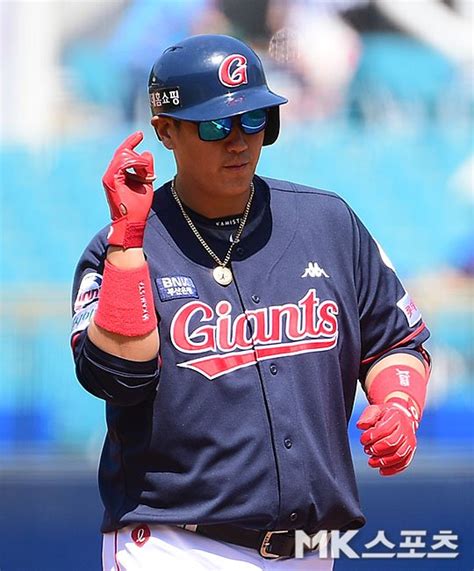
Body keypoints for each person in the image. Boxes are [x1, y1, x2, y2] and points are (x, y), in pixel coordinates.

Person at [71, 34, 431, 570]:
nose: (238, 141)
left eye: (254, 119)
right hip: (178, 545)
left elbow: (396, 342)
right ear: (166, 131)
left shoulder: (328, 223)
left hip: (311, 549)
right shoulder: (123, 248)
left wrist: (400, 405)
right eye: (215, 125)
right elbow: (117, 378)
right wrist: (128, 242)